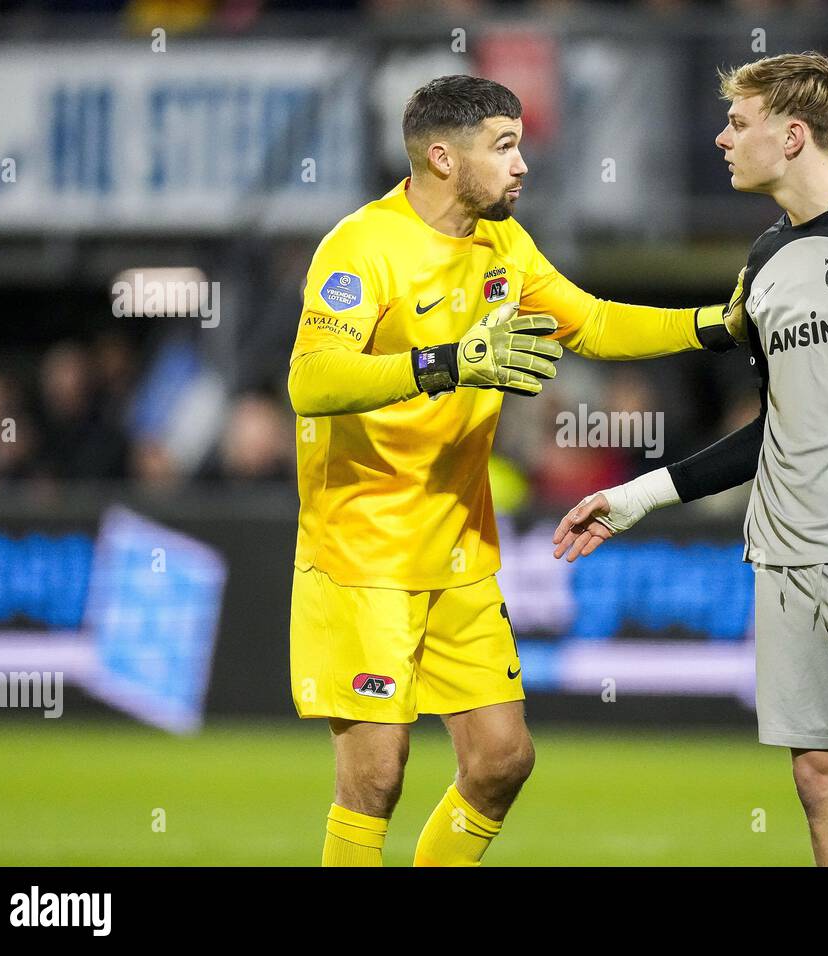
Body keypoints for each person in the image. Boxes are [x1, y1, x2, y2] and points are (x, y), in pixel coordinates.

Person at [553, 53, 828, 866]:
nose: (723, 138)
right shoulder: (762, 265)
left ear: (793, 135)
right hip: (784, 560)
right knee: (822, 780)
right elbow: (776, 429)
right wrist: (639, 496)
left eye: (740, 122)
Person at [286, 74, 738, 867]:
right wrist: (447, 363)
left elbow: (590, 322)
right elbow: (310, 380)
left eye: (519, 143)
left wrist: (710, 324)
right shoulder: (361, 248)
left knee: (502, 761)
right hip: (363, 555)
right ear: (440, 157)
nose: (522, 163)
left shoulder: (503, 242)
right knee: (376, 778)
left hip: (458, 549)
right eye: (502, 147)